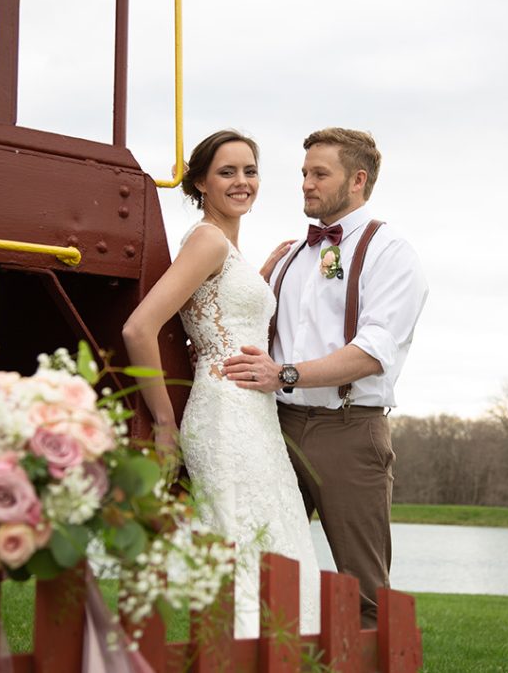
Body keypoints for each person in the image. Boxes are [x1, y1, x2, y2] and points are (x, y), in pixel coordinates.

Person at [223, 127, 429, 629]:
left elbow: (373, 352)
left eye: (320, 174)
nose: (306, 184)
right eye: (303, 173)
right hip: (278, 429)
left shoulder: (392, 252)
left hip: (349, 432)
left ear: (357, 180)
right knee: (263, 575)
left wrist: (284, 374)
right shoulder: (292, 254)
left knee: (366, 596)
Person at [122, 130, 320, 638]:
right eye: (227, 172)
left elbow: (220, 309)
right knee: (241, 539)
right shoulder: (208, 240)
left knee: (267, 536)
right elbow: (139, 329)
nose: (241, 181)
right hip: (226, 415)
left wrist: (259, 275)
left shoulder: (223, 245)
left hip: (254, 413)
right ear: (200, 183)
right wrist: (164, 422)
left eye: (249, 171)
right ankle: (244, 650)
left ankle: (271, 652)